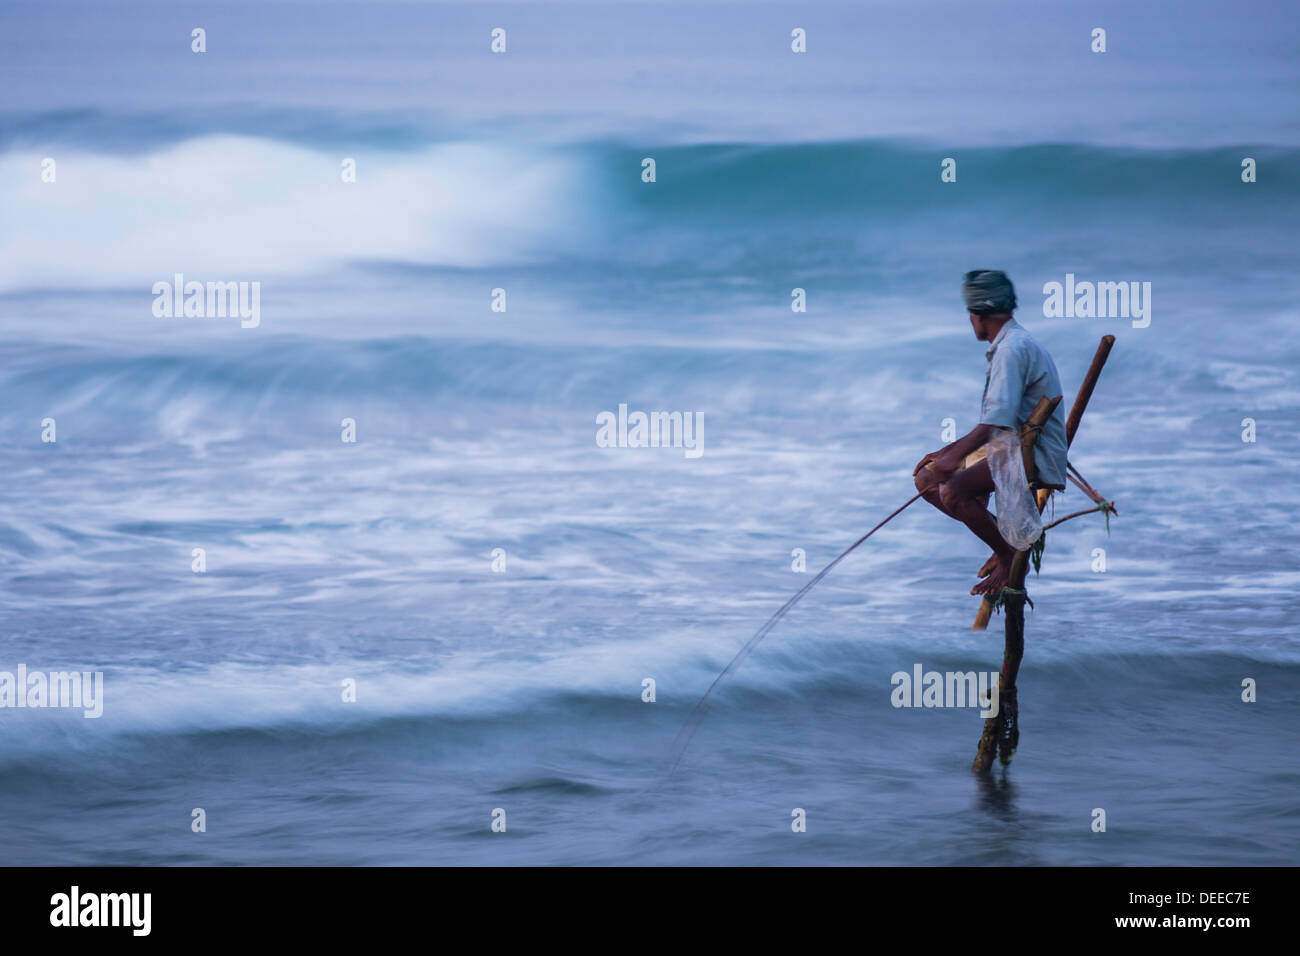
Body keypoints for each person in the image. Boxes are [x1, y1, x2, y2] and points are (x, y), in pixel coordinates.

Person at [912, 270, 1068, 596]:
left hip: (1034, 451)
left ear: (980, 315)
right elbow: (999, 420)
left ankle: (1007, 554)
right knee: (927, 478)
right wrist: (945, 454)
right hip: (1012, 442)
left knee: (953, 491)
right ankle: (1001, 541)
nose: (971, 321)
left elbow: (996, 422)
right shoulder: (1010, 343)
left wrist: (952, 456)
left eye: (971, 314)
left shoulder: (1011, 349)